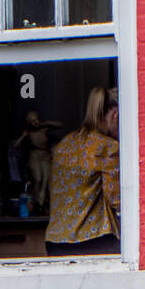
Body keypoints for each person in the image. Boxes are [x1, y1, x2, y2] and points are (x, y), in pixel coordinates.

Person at [45, 86, 121, 256]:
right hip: (94, 239)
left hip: (55, 242)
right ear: (115, 114)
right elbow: (117, 197)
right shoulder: (107, 146)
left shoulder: (63, 144)